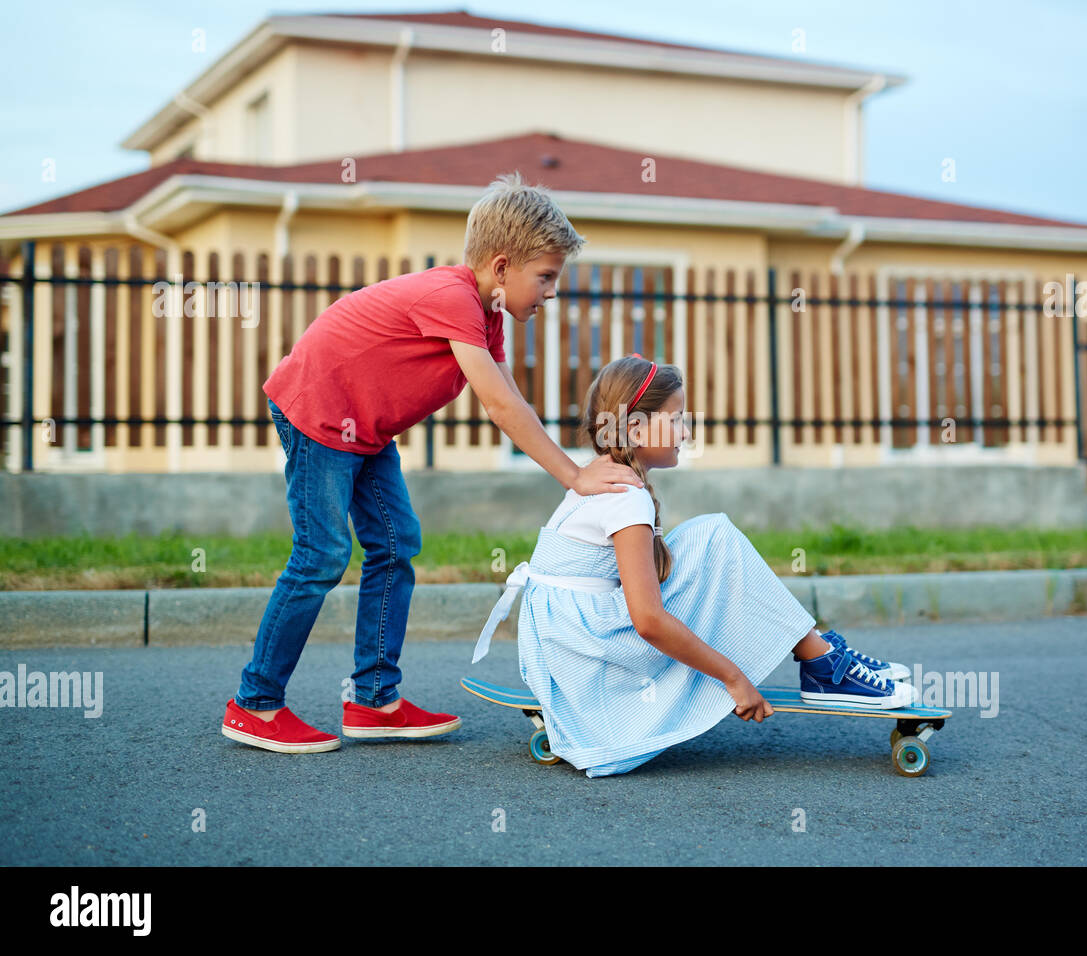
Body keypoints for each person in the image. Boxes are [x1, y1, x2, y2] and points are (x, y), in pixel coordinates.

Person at [222, 172, 644, 754]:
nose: (551, 293)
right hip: (317, 414)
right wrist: (573, 474)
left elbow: (508, 394)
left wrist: (573, 464)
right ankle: (256, 704)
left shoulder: (486, 314)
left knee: (397, 545)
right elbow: (496, 405)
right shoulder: (450, 298)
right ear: (501, 268)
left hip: (364, 429)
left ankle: (373, 701)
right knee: (321, 555)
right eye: (544, 277)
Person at [471, 355, 917, 777]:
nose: (686, 432)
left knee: (709, 538)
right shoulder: (624, 497)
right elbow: (646, 621)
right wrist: (733, 677)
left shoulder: (603, 475)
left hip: (570, 639)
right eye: (678, 418)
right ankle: (821, 662)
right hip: (591, 657)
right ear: (638, 428)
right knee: (717, 539)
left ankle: (817, 652)